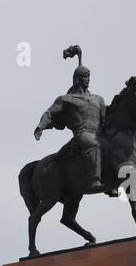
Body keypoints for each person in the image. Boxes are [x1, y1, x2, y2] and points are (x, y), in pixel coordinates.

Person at [34, 61, 110, 193]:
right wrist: (40, 127)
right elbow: (50, 113)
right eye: (84, 77)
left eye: (88, 77)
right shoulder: (67, 99)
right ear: (76, 79)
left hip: (99, 132)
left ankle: (110, 182)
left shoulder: (98, 99)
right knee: (92, 143)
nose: (87, 80)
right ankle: (94, 180)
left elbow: (104, 121)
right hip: (83, 133)